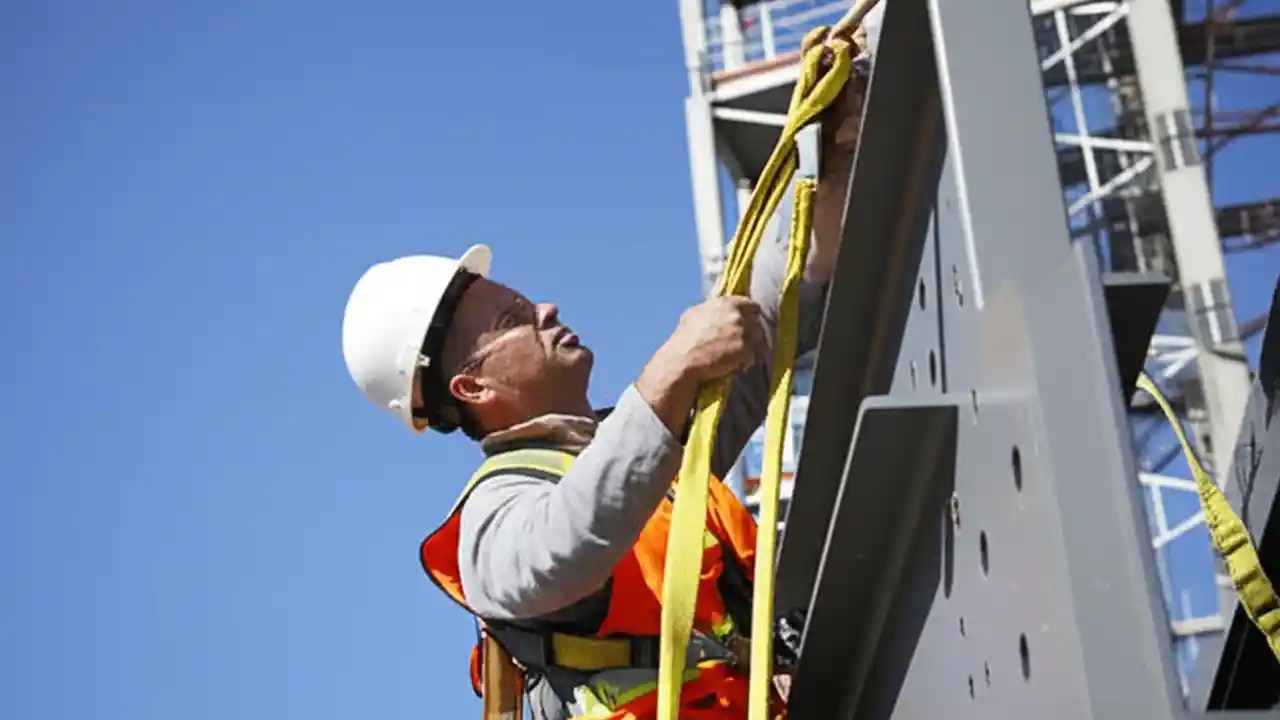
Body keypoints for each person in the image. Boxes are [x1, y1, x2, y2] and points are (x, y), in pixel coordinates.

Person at [340, 31, 868, 720]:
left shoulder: (647, 457)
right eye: (513, 318)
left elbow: (773, 307)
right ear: (471, 388)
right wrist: (665, 379)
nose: (546, 309)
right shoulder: (495, 518)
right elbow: (561, 549)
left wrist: (828, 159)